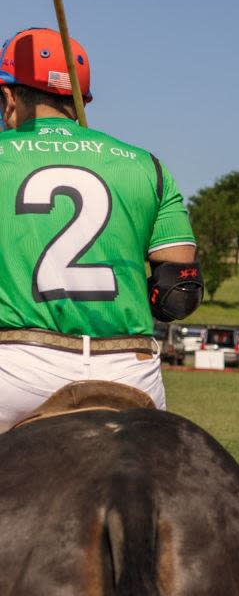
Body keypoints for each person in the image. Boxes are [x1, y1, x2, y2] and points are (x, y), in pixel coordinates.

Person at [0, 27, 202, 431]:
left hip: (18, 369)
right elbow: (179, 294)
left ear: (7, 97)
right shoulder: (148, 166)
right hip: (129, 370)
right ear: (81, 100)